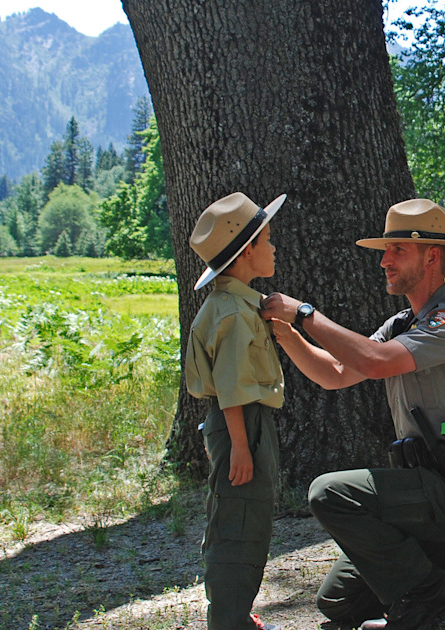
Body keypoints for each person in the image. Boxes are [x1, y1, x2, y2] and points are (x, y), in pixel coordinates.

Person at [260, 198, 445, 630]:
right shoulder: (402, 324)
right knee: (339, 603)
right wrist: (284, 334)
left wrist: (304, 313)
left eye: (397, 250)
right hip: (421, 490)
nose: (384, 261)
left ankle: (431, 592)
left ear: (432, 256)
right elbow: (336, 372)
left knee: (328, 493)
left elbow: (374, 362)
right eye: (385, 249)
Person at [185, 191, 288, 630]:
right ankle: (228, 619)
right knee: (240, 522)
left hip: (243, 425)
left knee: (243, 514)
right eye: (267, 239)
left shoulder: (240, 304)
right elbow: (231, 389)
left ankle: (234, 615)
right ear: (248, 251)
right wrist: (242, 448)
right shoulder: (234, 313)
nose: (274, 247)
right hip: (241, 425)